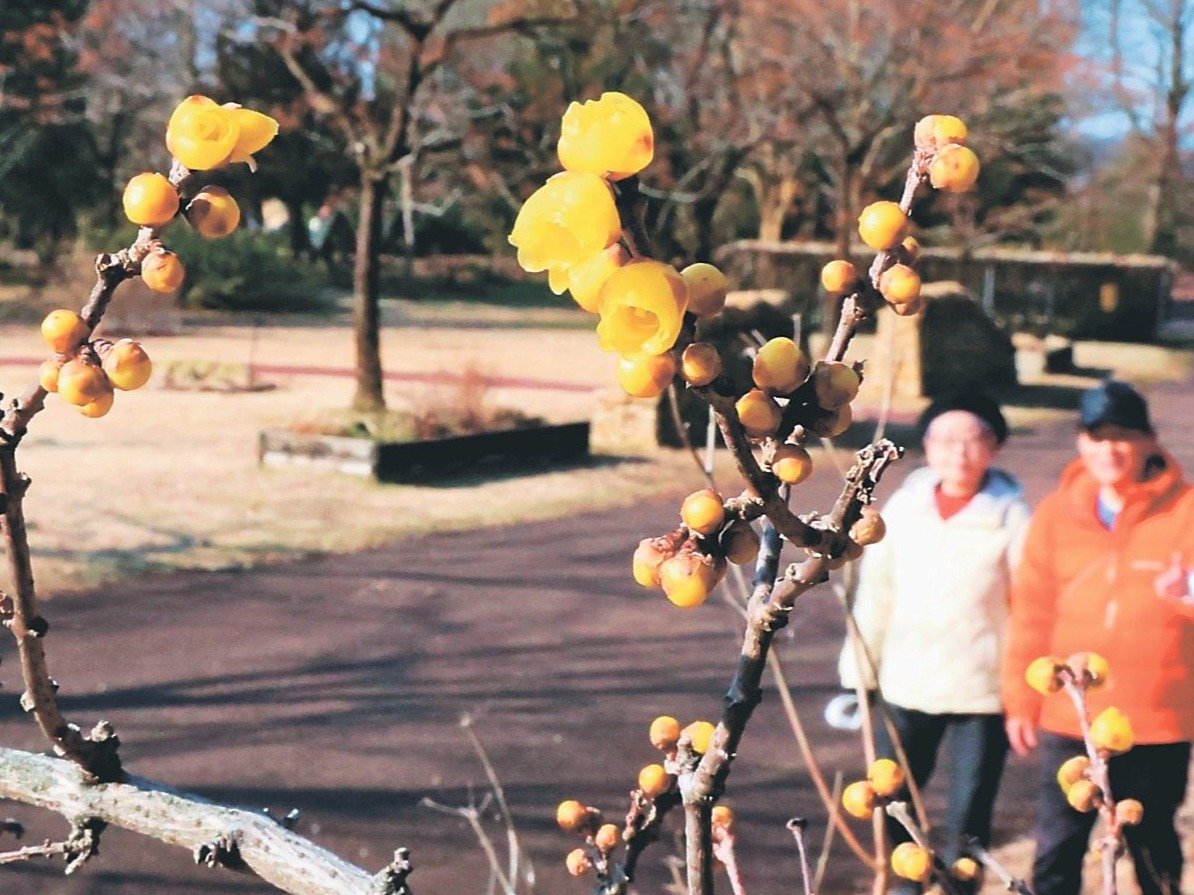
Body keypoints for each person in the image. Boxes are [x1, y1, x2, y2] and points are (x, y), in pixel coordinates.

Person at [1002, 380, 1194, 895]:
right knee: (1058, 845)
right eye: (1096, 436)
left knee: (1153, 843)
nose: (1109, 450)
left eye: (1123, 436)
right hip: (1072, 717)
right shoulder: (1055, 516)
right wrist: (1021, 700)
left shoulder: (1187, 510)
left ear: (1150, 439)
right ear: (1081, 443)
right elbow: (1029, 614)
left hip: (1158, 719)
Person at [838, 392, 1031, 891]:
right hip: (907, 682)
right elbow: (875, 596)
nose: (958, 452)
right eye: (945, 440)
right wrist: (857, 676)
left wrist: (1025, 692)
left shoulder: (1013, 517)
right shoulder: (904, 509)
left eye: (972, 440)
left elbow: (1030, 609)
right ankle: (904, 888)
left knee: (969, 816)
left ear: (995, 447)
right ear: (926, 446)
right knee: (895, 802)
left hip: (982, 692)